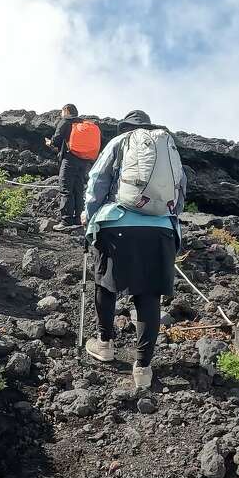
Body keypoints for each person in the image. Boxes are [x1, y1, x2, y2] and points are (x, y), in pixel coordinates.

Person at [81, 110, 187, 389]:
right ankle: (143, 369)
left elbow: (97, 182)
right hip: (163, 230)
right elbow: (181, 190)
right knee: (149, 296)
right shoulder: (168, 148)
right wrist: (167, 223)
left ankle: (105, 344)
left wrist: (91, 218)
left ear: (125, 127)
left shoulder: (120, 142)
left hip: (118, 223)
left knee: (106, 283)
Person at [46, 103, 93, 231]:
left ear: (66, 111)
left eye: (61, 112)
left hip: (69, 160)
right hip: (83, 161)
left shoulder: (66, 121)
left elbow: (56, 140)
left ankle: (66, 221)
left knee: (66, 189)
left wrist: (49, 142)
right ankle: (78, 219)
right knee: (78, 190)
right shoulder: (84, 124)